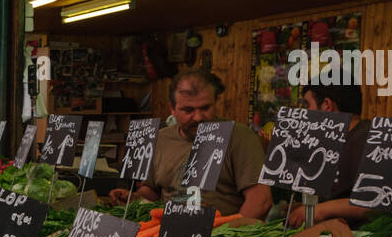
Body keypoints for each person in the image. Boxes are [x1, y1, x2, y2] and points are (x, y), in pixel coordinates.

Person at [111, 70, 272, 219]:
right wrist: (135, 198)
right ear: (172, 109)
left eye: (205, 108)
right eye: (188, 110)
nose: (198, 117)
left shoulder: (240, 137)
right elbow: (151, 190)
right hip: (167, 232)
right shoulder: (160, 139)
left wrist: (224, 235)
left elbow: (260, 201)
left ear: (215, 102)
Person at [287, 82, 372, 228]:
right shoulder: (335, 141)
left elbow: (372, 202)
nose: (306, 113)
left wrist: (319, 210)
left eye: (308, 105)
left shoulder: (366, 138)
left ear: (327, 104)